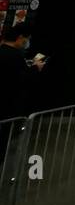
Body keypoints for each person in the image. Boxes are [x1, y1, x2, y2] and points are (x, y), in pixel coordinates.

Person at [0, 24, 47, 167]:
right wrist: (35, 68)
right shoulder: (15, 56)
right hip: (7, 108)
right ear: (20, 38)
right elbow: (22, 80)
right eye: (27, 39)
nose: (27, 42)